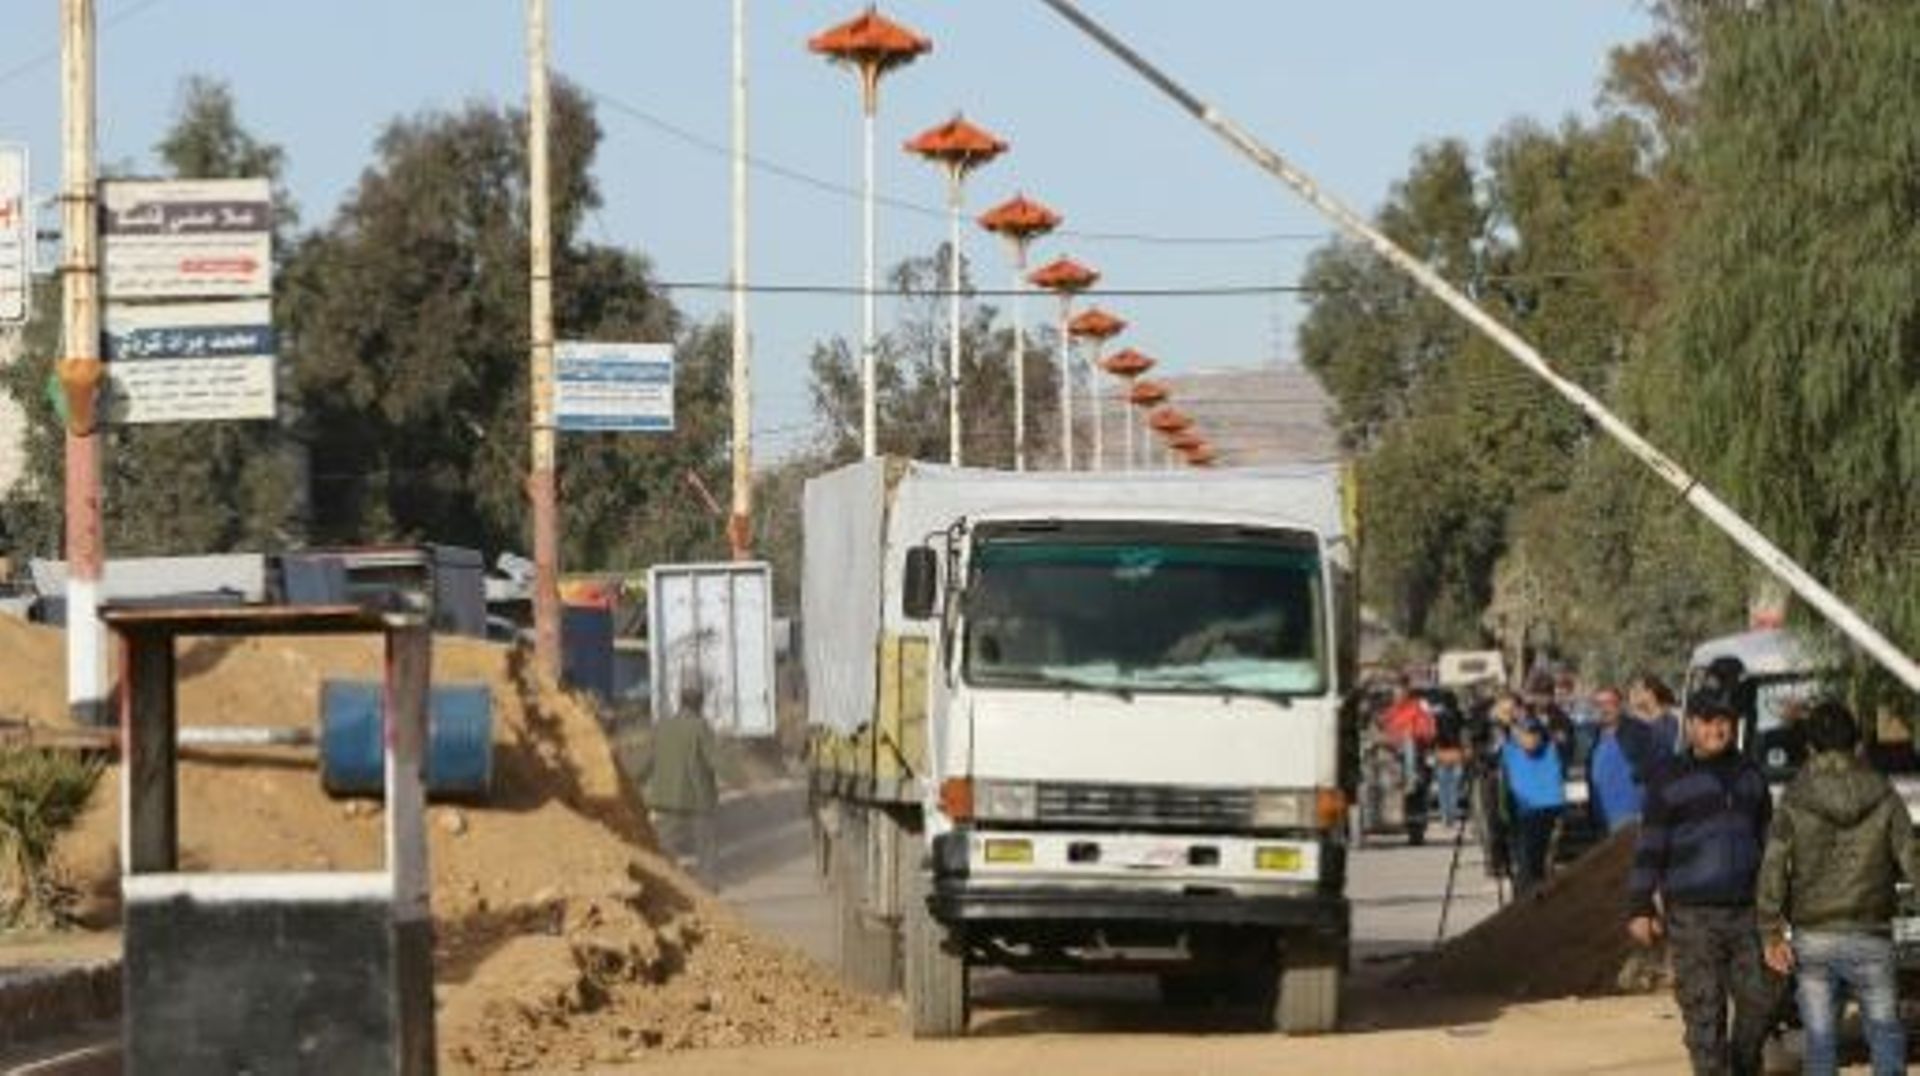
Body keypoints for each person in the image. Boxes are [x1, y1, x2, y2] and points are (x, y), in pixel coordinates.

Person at [1756, 700, 1918, 1076]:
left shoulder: (1795, 798)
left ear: (1809, 747)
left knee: (1820, 1040)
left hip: (1814, 937)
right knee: (1886, 1034)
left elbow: (1773, 866)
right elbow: (1913, 859)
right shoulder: (1884, 794)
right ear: (1858, 744)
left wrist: (1769, 929)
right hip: (1871, 933)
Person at [1626, 690, 1780, 1076]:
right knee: (1705, 1014)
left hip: (1748, 913)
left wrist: (1778, 902)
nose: (1718, 728)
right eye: (1709, 721)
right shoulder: (1668, 778)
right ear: (1691, 725)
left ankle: (1745, 1067)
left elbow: (1769, 844)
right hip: (1693, 918)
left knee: (1760, 1005)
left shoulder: (1751, 774)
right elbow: (1649, 847)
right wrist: (1640, 906)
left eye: (1724, 720)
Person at [639, 679, 721, 885]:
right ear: (699, 704)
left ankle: (666, 883)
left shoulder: (662, 727)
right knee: (706, 845)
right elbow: (715, 760)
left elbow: (648, 761)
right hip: (697, 799)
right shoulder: (700, 727)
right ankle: (707, 884)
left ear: (680, 702)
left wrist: (634, 780)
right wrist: (744, 782)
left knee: (665, 847)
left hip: (666, 798)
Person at [1500, 708, 1566, 896]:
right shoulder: (1509, 750)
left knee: (1539, 866)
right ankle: (1524, 904)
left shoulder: (1552, 749)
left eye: (1534, 734)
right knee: (1524, 866)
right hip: (1523, 815)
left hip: (1548, 813)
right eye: (1526, 734)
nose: (1531, 739)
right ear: (1518, 735)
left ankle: (1534, 902)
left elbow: (1561, 730)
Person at [1588, 687, 1643, 833]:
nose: (1604, 709)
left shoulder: (1637, 731)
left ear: (1620, 705)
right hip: (1602, 818)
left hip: (1629, 818)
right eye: (1598, 704)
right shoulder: (1596, 735)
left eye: (1609, 703)